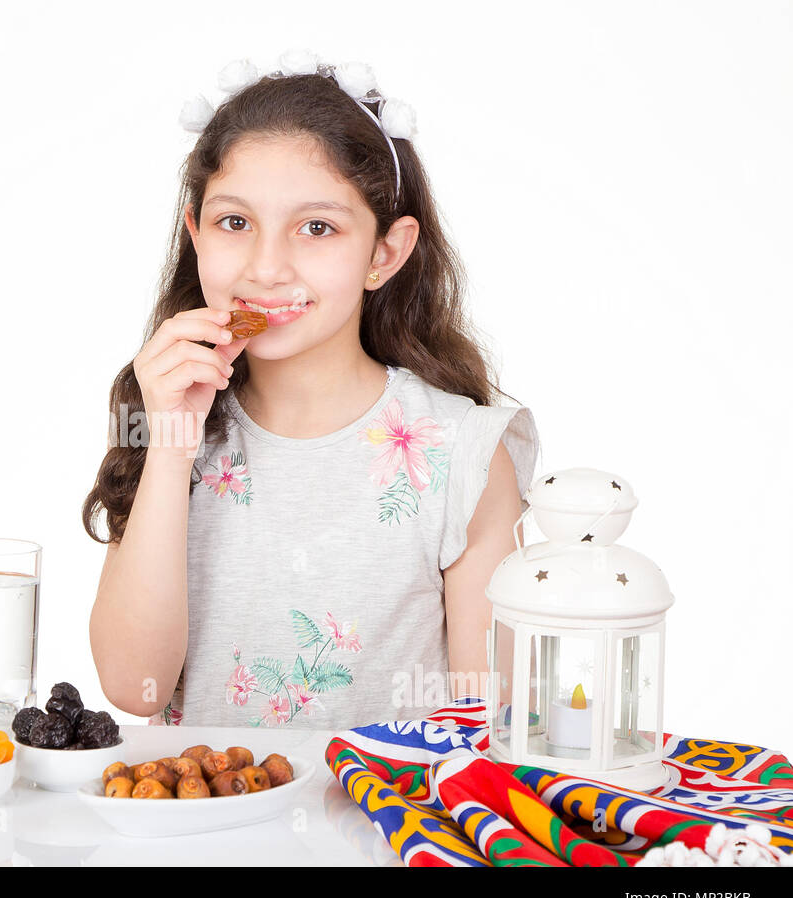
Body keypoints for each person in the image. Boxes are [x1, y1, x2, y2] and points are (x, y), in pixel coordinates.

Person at [82, 55, 541, 729]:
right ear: (195, 234)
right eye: (234, 223)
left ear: (385, 252)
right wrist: (172, 445)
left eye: (317, 227)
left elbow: (489, 723)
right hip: (200, 830)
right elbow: (133, 688)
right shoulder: (173, 428)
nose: (266, 268)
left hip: (379, 827)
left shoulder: (461, 456)